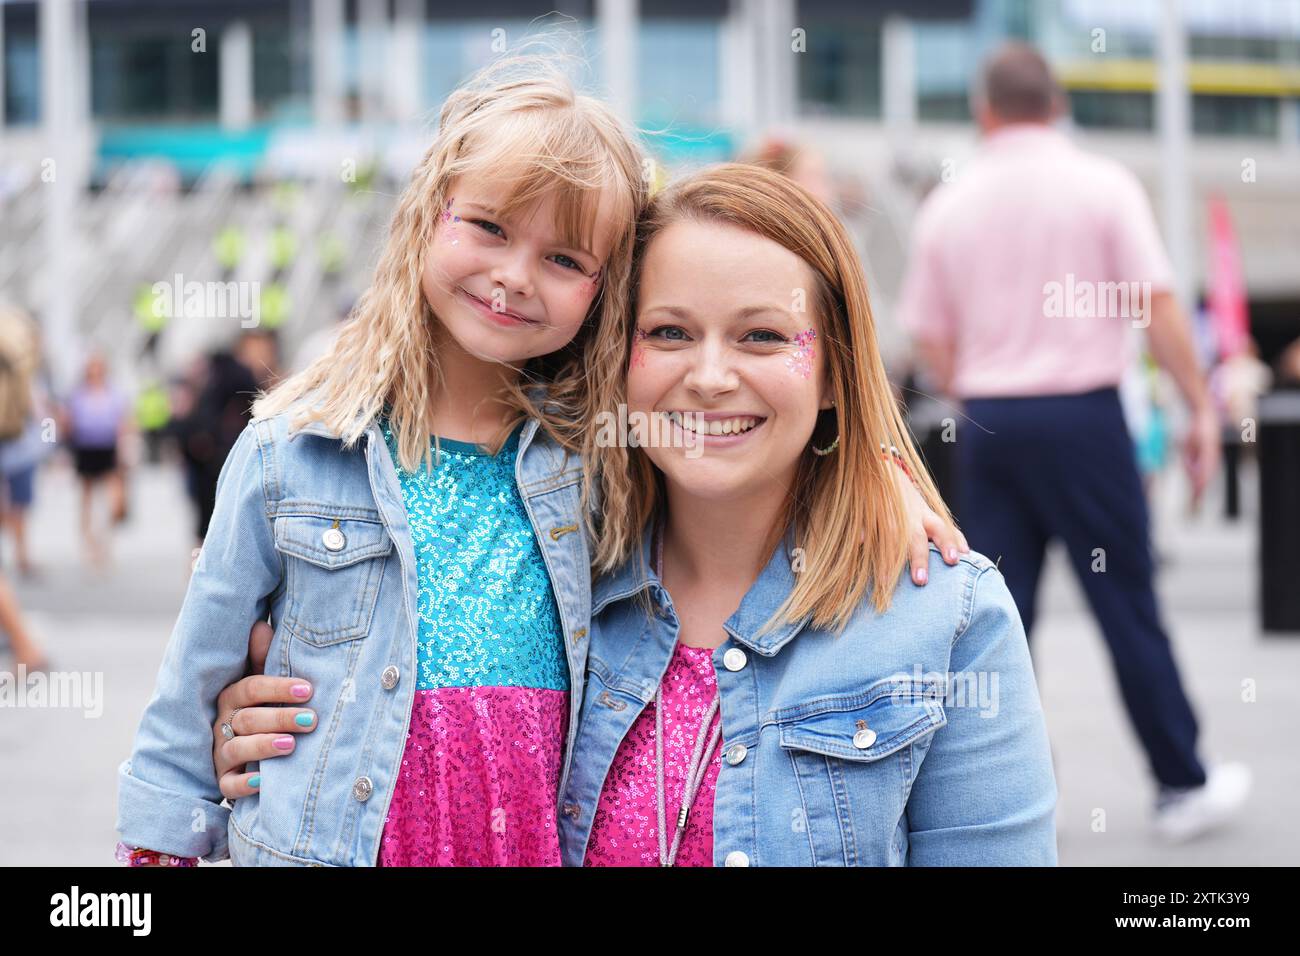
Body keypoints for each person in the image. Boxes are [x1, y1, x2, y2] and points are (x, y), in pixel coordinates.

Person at [896, 42, 1250, 842]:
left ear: (985, 110)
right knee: (1126, 603)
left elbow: (933, 343)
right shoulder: (1103, 184)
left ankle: (999, 802)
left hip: (990, 424)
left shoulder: (949, 203)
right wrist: (1199, 406)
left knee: (991, 616)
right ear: (1056, 105)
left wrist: (983, 384)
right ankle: (1180, 785)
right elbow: (1158, 308)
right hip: (1085, 421)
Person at [63, 352, 131, 569]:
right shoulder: (78, 394)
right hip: (85, 448)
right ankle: (89, 544)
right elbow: (69, 422)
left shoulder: (113, 392)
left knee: (112, 498)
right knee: (87, 497)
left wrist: (125, 449)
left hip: (107, 447)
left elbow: (123, 422)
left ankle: (105, 542)